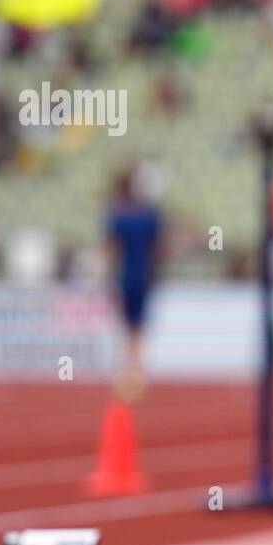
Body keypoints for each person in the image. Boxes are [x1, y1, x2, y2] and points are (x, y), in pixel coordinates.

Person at [106, 165, 163, 398]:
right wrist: (155, 274)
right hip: (142, 274)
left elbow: (112, 249)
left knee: (128, 325)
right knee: (137, 326)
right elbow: (158, 249)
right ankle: (135, 371)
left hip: (126, 274)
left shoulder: (118, 214)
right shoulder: (150, 214)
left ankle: (129, 371)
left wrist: (110, 276)